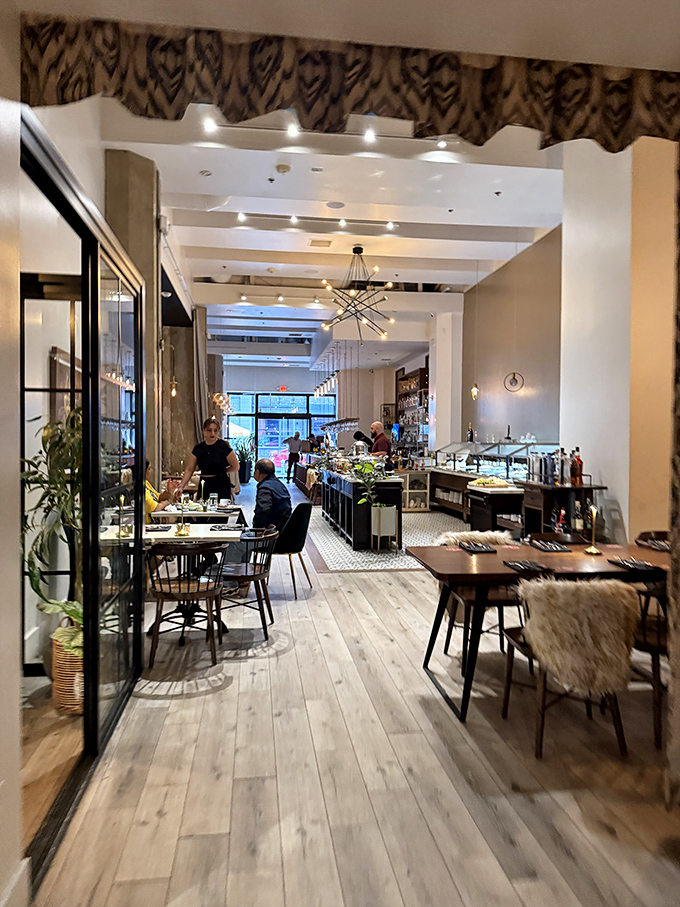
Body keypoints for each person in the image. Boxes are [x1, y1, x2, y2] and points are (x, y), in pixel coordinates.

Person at [177, 416, 239, 501]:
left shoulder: (223, 446)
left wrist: (223, 470)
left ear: (218, 432)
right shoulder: (198, 448)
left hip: (221, 484)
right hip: (204, 484)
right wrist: (181, 486)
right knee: (203, 510)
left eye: (215, 430)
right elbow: (189, 469)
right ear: (204, 431)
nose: (212, 433)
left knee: (220, 511)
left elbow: (236, 466)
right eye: (209, 430)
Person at [253, 458, 292, 531]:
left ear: (257, 472)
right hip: (286, 528)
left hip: (273, 532)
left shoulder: (265, 488)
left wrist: (256, 529)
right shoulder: (280, 485)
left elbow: (262, 511)